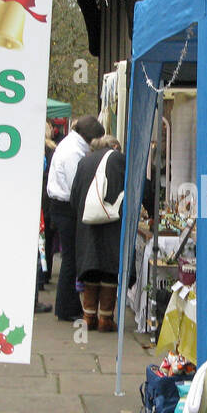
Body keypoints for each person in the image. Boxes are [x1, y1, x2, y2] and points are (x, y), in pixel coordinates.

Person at [45, 115, 104, 321]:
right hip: (65, 208)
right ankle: (66, 307)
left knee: (70, 258)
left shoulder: (70, 145)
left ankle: (68, 305)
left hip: (61, 207)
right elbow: (75, 185)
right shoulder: (73, 152)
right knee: (70, 259)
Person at [70, 134, 125, 332]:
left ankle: (88, 316)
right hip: (111, 223)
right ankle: (105, 319)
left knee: (91, 268)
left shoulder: (84, 161)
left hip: (87, 223)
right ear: (114, 146)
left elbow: (74, 194)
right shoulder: (118, 159)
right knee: (109, 269)